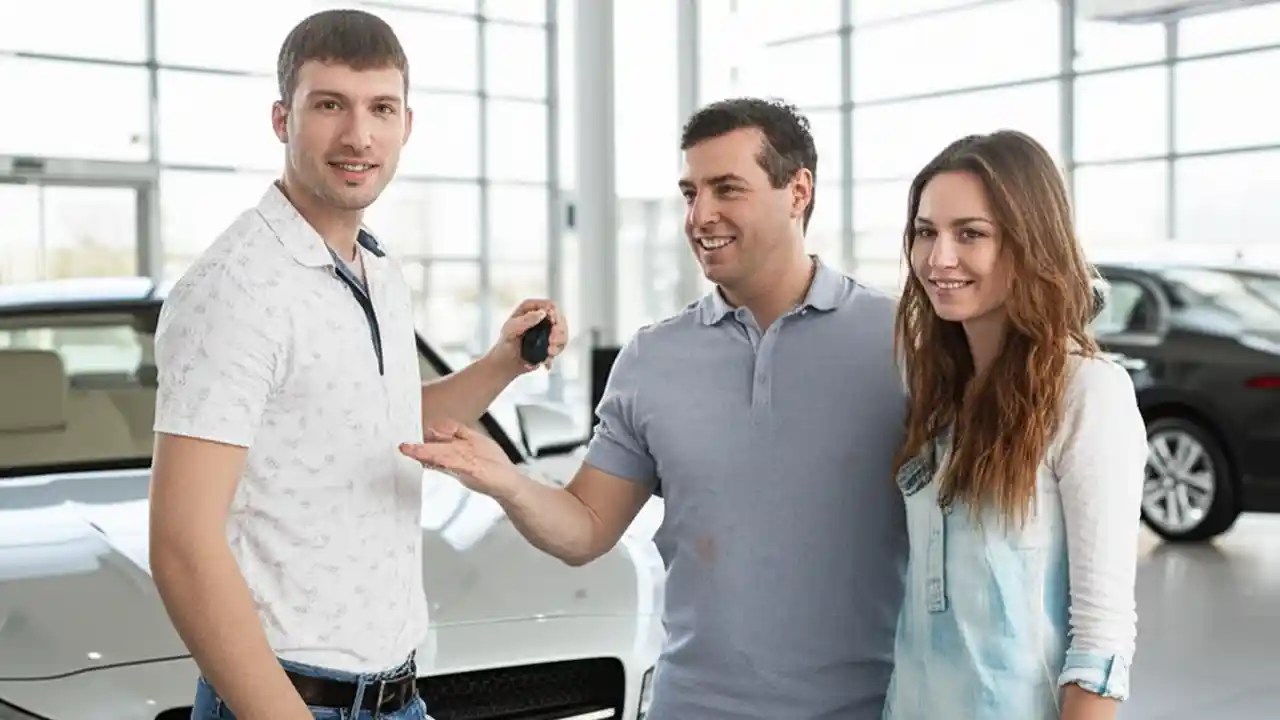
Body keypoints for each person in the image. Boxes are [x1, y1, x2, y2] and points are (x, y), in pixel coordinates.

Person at [400, 97, 908, 719]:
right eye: (690, 193)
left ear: (798, 190)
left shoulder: (901, 343)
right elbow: (587, 526)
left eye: (727, 189)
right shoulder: (652, 358)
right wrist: (504, 480)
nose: (701, 216)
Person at [148, 10, 566, 720]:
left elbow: (385, 422)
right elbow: (182, 545)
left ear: (408, 124)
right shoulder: (237, 288)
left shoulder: (374, 266)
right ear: (282, 119)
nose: (358, 136)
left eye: (381, 109)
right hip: (292, 699)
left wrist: (501, 364)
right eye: (329, 105)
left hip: (396, 694)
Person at [883, 130, 1146, 720]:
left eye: (970, 234)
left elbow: (1100, 644)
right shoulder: (936, 396)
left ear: (1030, 243)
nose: (938, 258)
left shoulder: (1088, 394)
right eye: (926, 232)